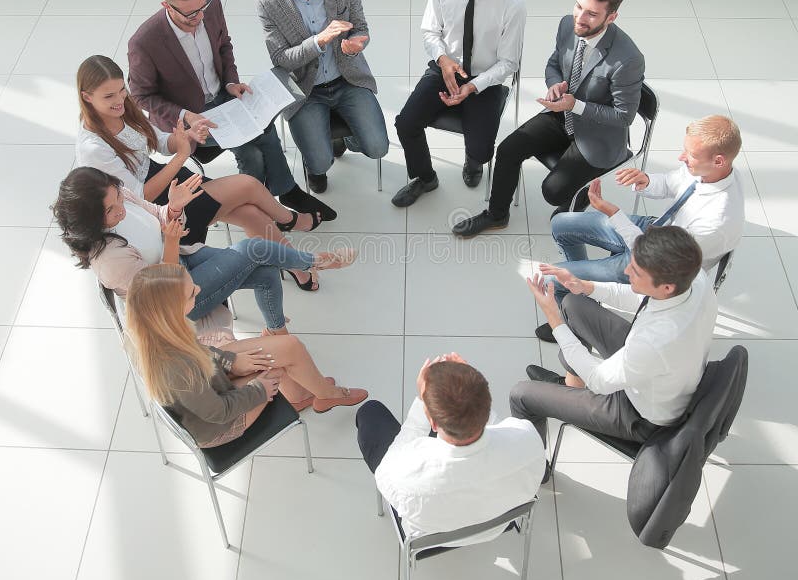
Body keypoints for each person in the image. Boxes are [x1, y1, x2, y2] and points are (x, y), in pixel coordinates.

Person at [52, 167, 357, 346]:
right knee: (253, 249)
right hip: (175, 303)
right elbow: (166, 290)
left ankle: (277, 331)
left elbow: (159, 217)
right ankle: (314, 261)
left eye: (118, 197)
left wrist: (172, 209)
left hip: (181, 259)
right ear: (92, 221)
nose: (121, 207)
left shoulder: (121, 197)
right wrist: (170, 240)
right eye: (110, 210)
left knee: (265, 273)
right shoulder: (110, 259)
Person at [127, 0, 335, 221]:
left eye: (202, 7)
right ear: (167, 6)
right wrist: (186, 115)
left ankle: (266, 202)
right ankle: (272, 201)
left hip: (223, 96)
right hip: (190, 119)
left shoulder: (211, 3)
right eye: (191, 14)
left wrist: (230, 83)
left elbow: (224, 45)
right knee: (251, 146)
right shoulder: (144, 41)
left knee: (262, 127)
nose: (200, 17)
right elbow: (141, 95)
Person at [511, 226, 717, 479]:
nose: (627, 271)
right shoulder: (696, 279)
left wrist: (552, 316)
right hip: (657, 373)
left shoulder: (656, 341)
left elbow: (598, 380)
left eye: (636, 271)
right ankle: (570, 388)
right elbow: (641, 297)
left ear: (666, 287)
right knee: (573, 304)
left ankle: (534, 472)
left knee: (521, 395)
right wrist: (584, 286)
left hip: (639, 414)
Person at [452, 0, 645, 236]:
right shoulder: (568, 25)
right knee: (508, 150)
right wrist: (555, 84)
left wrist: (575, 105)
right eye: (578, 6)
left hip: (598, 135)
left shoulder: (628, 59)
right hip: (562, 113)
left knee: (552, 192)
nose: (580, 17)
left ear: (611, 18)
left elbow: (624, 116)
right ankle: (497, 215)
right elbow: (554, 64)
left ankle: (581, 195)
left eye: (591, 14)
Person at [75, 54, 323, 249]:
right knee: (248, 186)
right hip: (153, 206)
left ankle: (296, 264)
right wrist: (182, 154)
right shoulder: (93, 147)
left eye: (122, 90)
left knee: (249, 213)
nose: (120, 99)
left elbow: (159, 141)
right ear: (86, 97)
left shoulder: (122, 109)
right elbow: (140, 194)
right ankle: (290, 220)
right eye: (109, 96)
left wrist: (183, 138)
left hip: (166, 179)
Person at [536, 114, 744, 342]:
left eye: (691, 155)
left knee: (552, 277)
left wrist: (614, 214)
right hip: (657, 231)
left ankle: (574, 321)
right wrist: (646, 180)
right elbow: (672, 182)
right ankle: (584, 296)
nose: (681, 157)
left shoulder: (715, 221)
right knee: (561, 224)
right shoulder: (710, 171)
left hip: (655, 263)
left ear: (719, 161)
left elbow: (654, 258)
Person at [126, 263, 368, 447]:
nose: (199, 290)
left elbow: (202, 351)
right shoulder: (178, 368)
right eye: (191, 293)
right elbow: (219, 412)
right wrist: (260, 388)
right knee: (274, 360)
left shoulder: (156, 331)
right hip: (220, 423)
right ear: (169, 310)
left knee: (285, 347)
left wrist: (232, 362)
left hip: (212, 383)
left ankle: (303, 394)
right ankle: (327, 394)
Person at [392, 0, 525, 207]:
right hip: (445, 67)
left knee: (481, 151)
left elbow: (509, 63)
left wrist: (473, 86)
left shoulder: (512, 5)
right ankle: (425, 178)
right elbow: (430, 31)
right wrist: (443, 61)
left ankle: (473, 163)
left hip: (484, 79)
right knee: (405, 124)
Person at [254, 0, 389, 193]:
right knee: (319, 163)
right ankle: (316, 161)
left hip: (347, 78)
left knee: (376, 148)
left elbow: (360, 27)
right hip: (306, 91)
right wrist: (320, 41)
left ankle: (342, 137)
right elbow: (281, 59)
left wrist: (355, 45)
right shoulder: (267, 0)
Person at [356, 354, 545, 539]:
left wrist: (423, 400)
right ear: (487, 407)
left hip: (431, 536)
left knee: (370, 410)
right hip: (497, 524)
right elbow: (498, 426)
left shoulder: (403, 477)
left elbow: (387, 466)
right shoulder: (529, 441)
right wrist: (468, 389)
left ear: (433, 422)